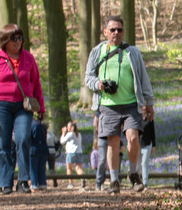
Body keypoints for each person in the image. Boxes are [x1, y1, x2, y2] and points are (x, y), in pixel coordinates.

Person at [84, 15, 154, 194]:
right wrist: (98, 84)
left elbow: (143, 78)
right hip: (107, 105)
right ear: (105, 32)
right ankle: (114, 180)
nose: (116, 33)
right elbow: (88, 77)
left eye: (119, 30)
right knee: (113, 142)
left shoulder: (133, 52)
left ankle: (133, 174)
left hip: (131, 104)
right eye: (112, 30)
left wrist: (149, 102)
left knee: (132, 137)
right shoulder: (97, 52)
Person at [0, 24, 45, 194]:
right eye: (14, 39)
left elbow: (36, 83)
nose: (18, 42)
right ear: (5, 41)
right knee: (3, 143)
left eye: (20, 38)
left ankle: (23, 181)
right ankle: (5, 182)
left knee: (23, 139)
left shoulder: (28, 58)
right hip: (1, 105)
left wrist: (41, 107)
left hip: (23, 105)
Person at [29, 119, 51, 190]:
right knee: (42, 168)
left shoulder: (31, 126)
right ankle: (43, 184)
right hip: (44, 148)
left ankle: (34, 184)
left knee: (33, 168)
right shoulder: (42, 126)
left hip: (34, 149)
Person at [61, 121, 82, 187]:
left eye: (68, 127)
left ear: (70, 127)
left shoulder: (70, 134)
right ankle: (82, 178)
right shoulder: (79, 134)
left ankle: (70, 183)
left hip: (71, 153)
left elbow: (62, 141)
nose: (67, 128)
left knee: (69, 168)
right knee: (78, 168)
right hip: (79, 152)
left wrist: (63, 133)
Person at [138, 119, 156, 190]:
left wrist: (154, 145)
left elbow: (152, 132)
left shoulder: (150, 119)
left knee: (144, 163)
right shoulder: (137, 117)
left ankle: (144, 183)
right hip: (138, 144)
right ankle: (137, 182)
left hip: (147, 144)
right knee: (138, 164)